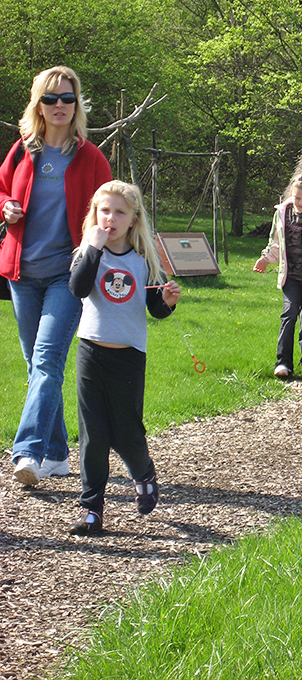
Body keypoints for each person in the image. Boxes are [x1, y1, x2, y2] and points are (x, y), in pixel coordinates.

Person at [0, 66, 112, 487]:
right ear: (39, 105)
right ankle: (58, 453)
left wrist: (96, 245)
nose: (60, 106)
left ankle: (27, 450)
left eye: (68, 98)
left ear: (77, 104)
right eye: (51, 99)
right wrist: (6, 206)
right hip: (20, 274)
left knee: (47, 361)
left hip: (67, 278)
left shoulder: (90, 157)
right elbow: (2, 191)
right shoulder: (21, 151)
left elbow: (110, 209)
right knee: (37, 366)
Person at [67, 180, 180, 535]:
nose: (110, 219)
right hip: (91, 352)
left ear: (133, 219)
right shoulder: (88, 253)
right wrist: (94, 250)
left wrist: (168, 302)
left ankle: (143, 471)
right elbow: (78, 288)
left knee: (127, 433)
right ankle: (91, 510)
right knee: (94, 435)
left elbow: (155, 309)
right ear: (94, 214)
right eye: (104, 211)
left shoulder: (143, 260)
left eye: (119, 212)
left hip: (129, 356)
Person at [254, 174, 302, 378]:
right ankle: (283, 362)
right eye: (297, 198)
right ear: (291, 194)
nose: (301, 203)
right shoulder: (281, 213)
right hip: (290, 275)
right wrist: (265, 259)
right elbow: (275, 243)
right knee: (289, 313)